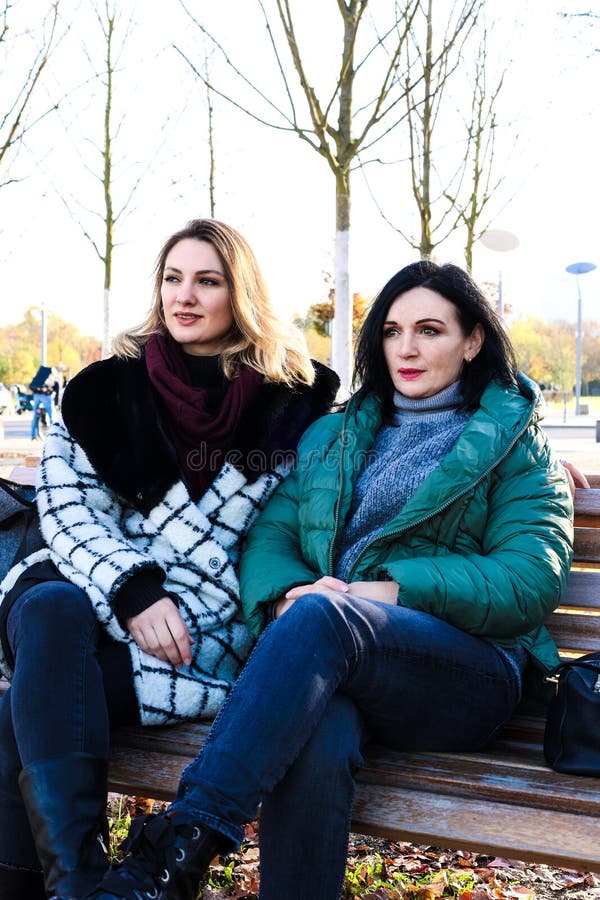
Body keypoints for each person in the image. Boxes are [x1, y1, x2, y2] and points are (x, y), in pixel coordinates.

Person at [88, 260, 574, 900]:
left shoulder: (518, 447)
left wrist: (386, 593)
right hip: (338, 662)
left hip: (465, 674)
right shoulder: (338, 434)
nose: (406, 347)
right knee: (322, 728)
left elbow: (526, 581)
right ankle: (185, 859)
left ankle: (185, 841)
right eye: (393, 330)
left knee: (324, 619)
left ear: (473, 340)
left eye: (430, 330)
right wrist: (291, 590)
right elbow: (273, 535)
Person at [0, 219, 339, 900]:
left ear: (239, 294)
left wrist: (523, 447)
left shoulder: (296, 406)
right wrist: (132, 590)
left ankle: (72, 888)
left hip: (199, 641)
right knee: (52, 606)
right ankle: (82, 889)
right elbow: (64, 515)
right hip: (87, 606)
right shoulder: (103, 392)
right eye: (172, 279)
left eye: (207, 282)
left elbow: (378, 444)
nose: (184, 297)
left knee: (15, 718)